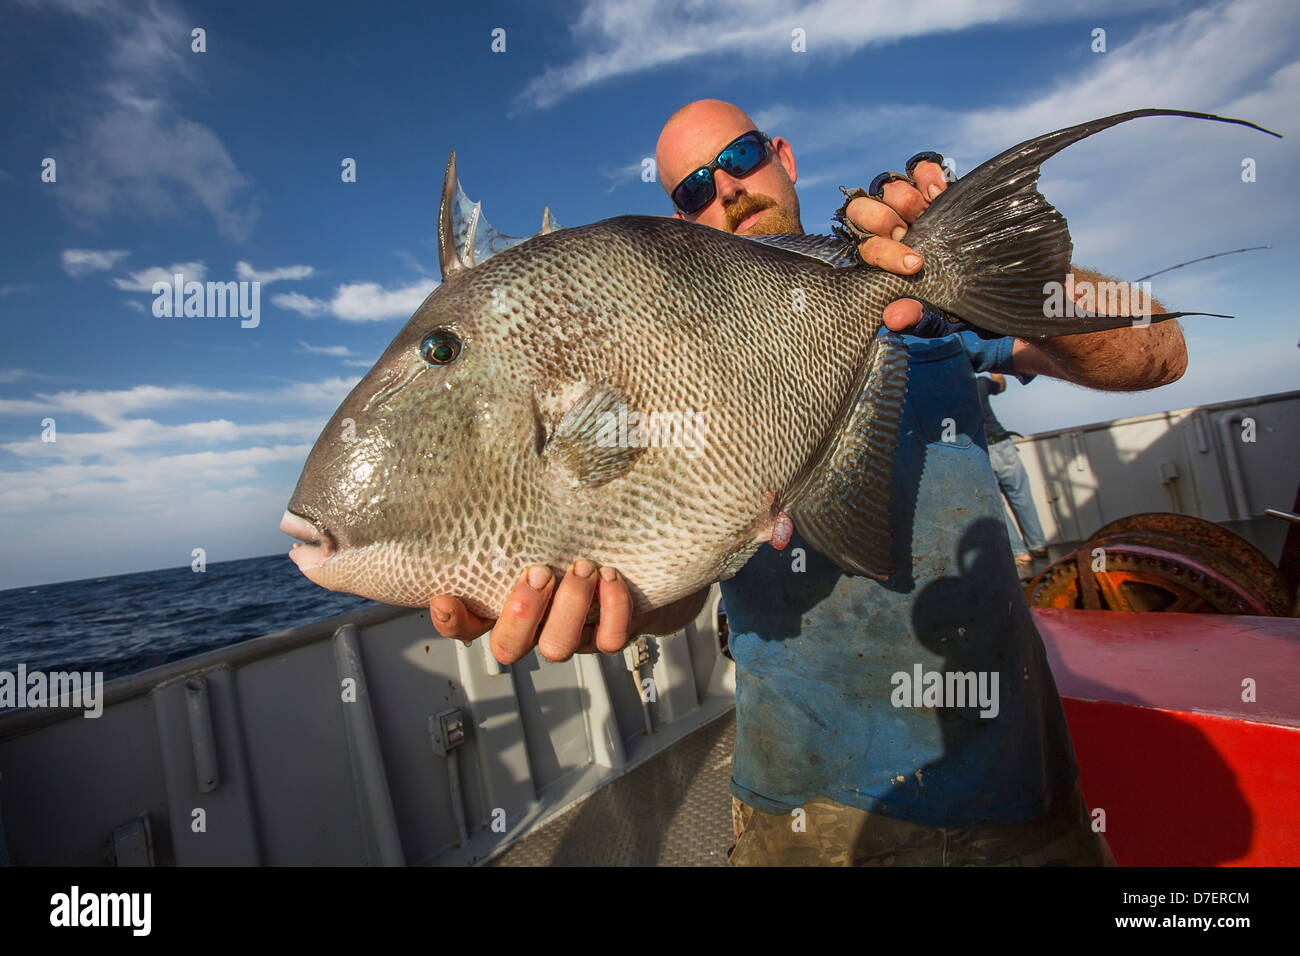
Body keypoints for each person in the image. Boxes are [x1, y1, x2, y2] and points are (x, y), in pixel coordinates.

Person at [428, 99, 1186, 865]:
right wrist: (609, 596)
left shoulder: (919, 295)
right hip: (800, 803)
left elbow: (1160, 353)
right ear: (680, 220)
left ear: (782, 156)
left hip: (1010, 783)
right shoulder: (666, 366)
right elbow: (679, 590)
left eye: (740, 156)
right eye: (692, 189)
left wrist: (1011, 266)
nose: (724, 188)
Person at [975, 371, 1050, 576]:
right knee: (1021, 497)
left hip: (978, 451)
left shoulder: (947, 391)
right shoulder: (980, 384)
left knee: (996, 507)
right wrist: (994, 368)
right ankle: (1038, 545)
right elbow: (1001, 385)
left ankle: (1019, 553)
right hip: (1002, 445)